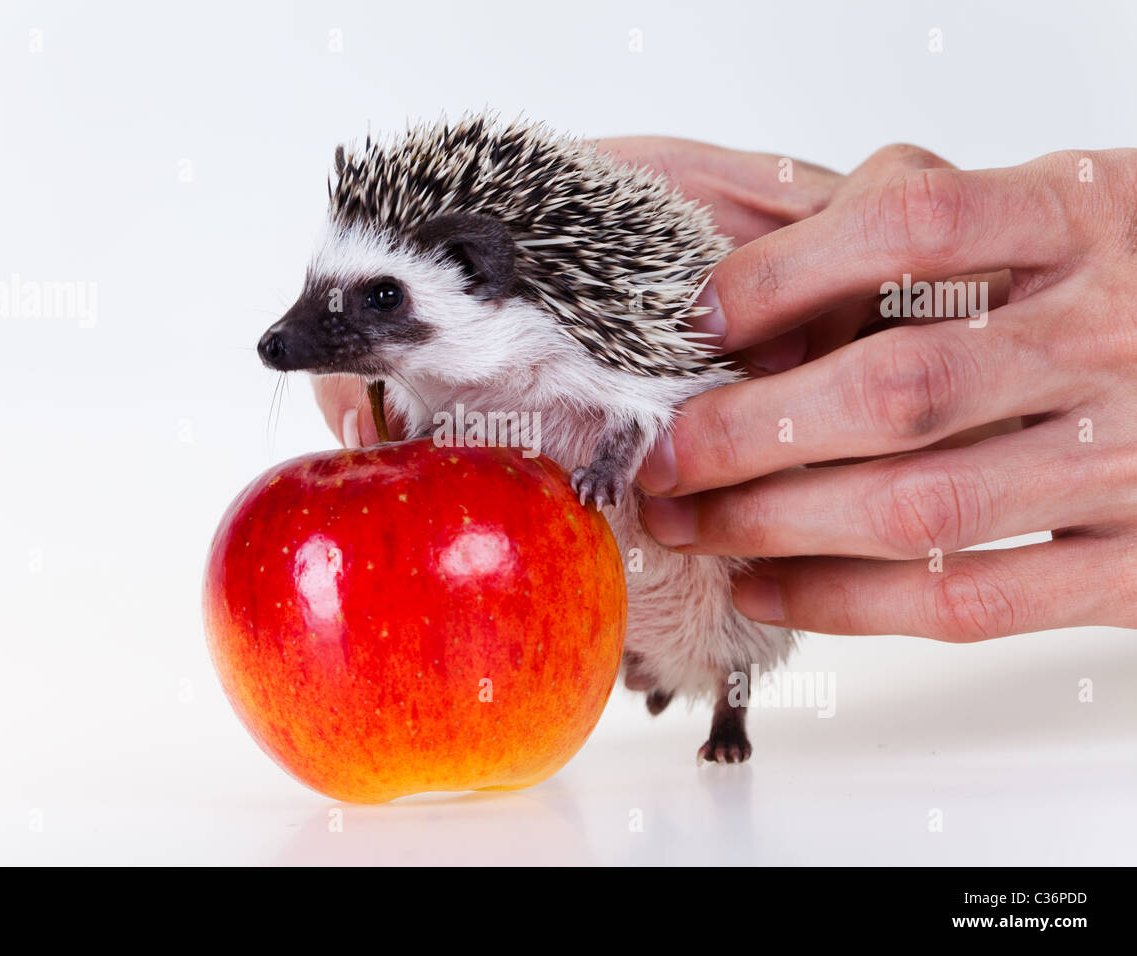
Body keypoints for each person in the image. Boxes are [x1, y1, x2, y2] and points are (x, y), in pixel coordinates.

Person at [313, 139, 1137, 642]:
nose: (296, 341)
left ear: (480, 276)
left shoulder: (574, 351)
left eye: (383, 297)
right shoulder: (443, 375)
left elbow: (638, 400)